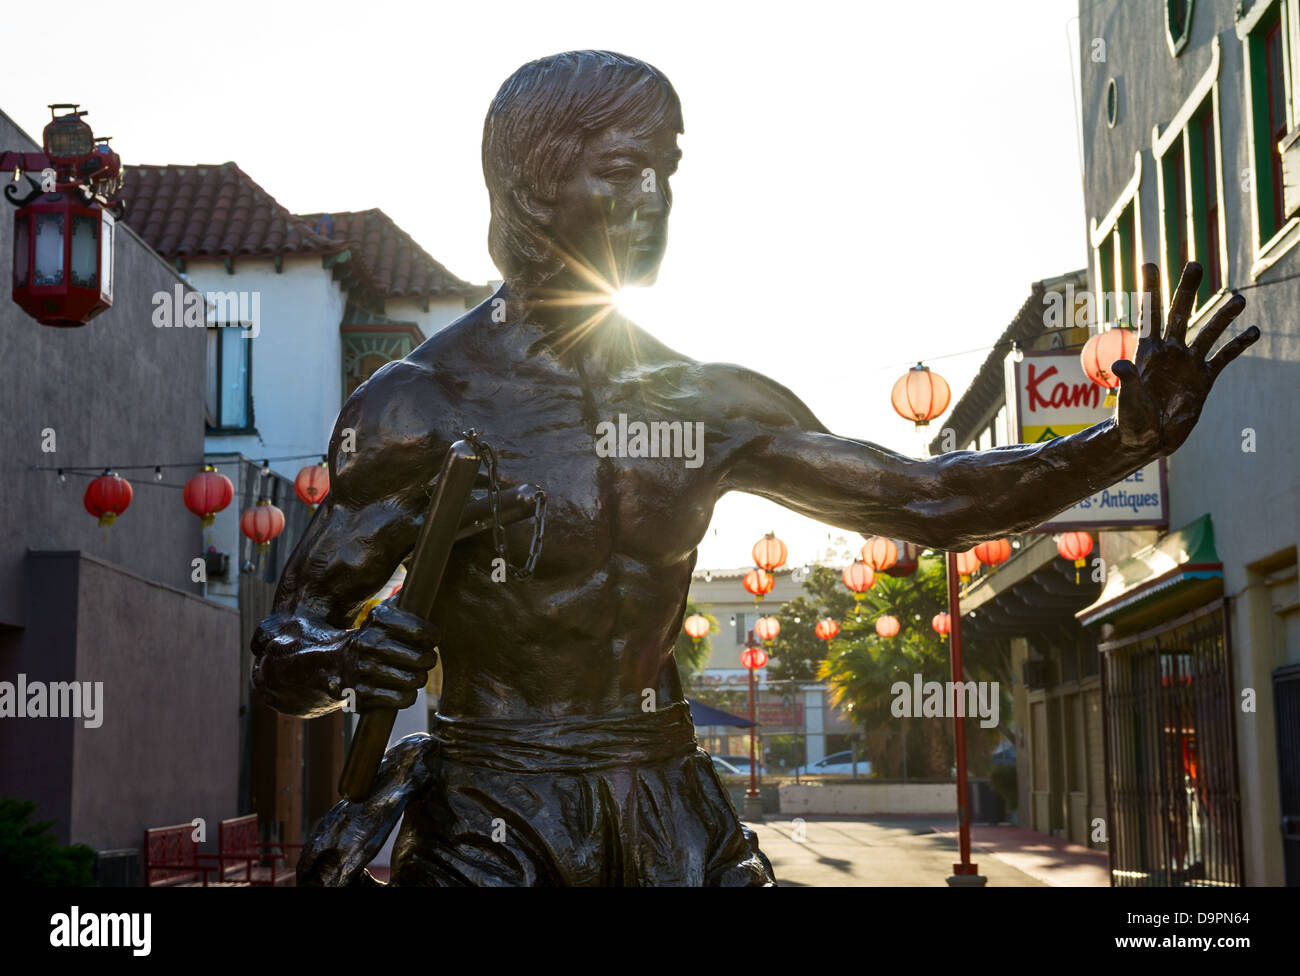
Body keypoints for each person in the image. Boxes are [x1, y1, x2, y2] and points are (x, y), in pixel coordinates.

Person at [252, 50, 1258, 886]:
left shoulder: (707, 402)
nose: (654, 198)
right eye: (621, 168)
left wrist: (1120, 443)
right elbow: (284, 650)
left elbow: (928, 498)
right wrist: (341, 661)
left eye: (666, 169)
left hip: (669, 804)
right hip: (493, 809)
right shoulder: (422, 404)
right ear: (531, 183)